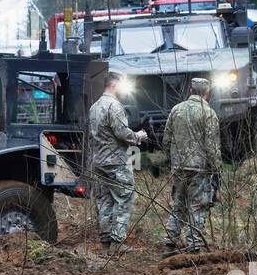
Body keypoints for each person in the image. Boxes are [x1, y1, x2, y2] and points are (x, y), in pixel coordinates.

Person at [161, 77, 222, 253]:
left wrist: (172, 160)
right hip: (199, 169)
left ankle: (169, 242)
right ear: (207, 93)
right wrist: (217, 170)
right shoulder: (208, 113)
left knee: (178, 204)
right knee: (198, 206)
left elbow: (166, 140)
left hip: (179, 167)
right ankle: (193, 246)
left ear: (190, 90)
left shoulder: (176, 110)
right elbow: (212, 147)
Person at [87, 70, 147, 247]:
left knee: (104, 200)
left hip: (98, 161)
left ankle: (105, 243)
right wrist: (139, 136)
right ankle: (118, 242)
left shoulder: (94, 107)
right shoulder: (114, 106)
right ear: (114, 84)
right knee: (124, 198)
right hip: (116, 162)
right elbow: (122, 133)